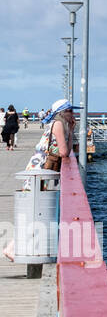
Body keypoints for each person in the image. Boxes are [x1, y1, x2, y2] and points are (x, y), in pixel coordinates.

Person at [4, 99, 78, 263]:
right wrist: (71, 132)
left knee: (34, 211)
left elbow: (65, 150)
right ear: (62, 112)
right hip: (39, 171)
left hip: (39, 170)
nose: (73, 114)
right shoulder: (58, 125)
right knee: (34, 211)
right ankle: (11, 248)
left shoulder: (57, 124)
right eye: (70, 111)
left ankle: (13, 248)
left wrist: (71, 130)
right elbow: (65, 152)